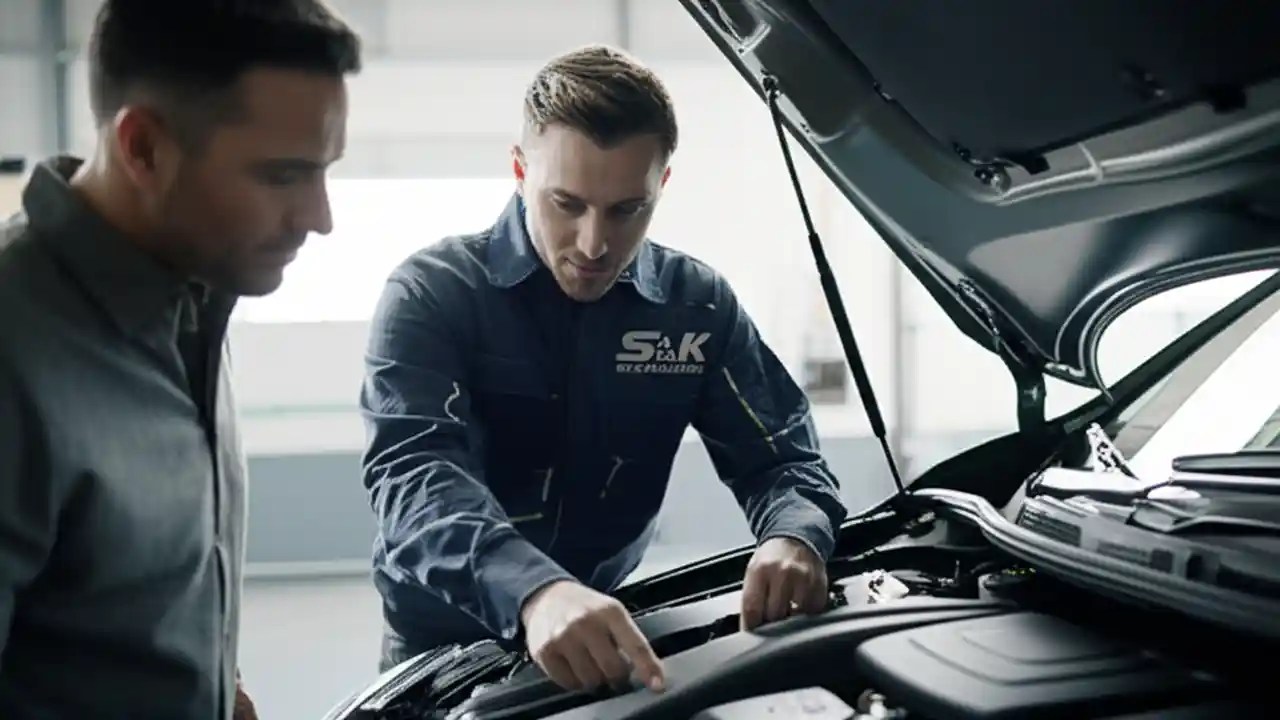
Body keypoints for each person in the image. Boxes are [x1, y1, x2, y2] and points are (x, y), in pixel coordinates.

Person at [360, 44, 848, 694]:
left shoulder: (695, 306)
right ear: (518, 169)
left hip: (603, 627)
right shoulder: (431, 294)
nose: (594, 245)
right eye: (567, 204)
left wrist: (796, 536)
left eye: (627, 210)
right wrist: (534, 590)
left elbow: (784, 459)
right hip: (442, 646)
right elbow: (415, 475)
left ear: (662, 185)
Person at [0, 1, 360, 718]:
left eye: (323, 171)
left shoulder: (193, 293)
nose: (320, 217)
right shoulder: (16, 350)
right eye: (284, 176)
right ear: (143, 149)